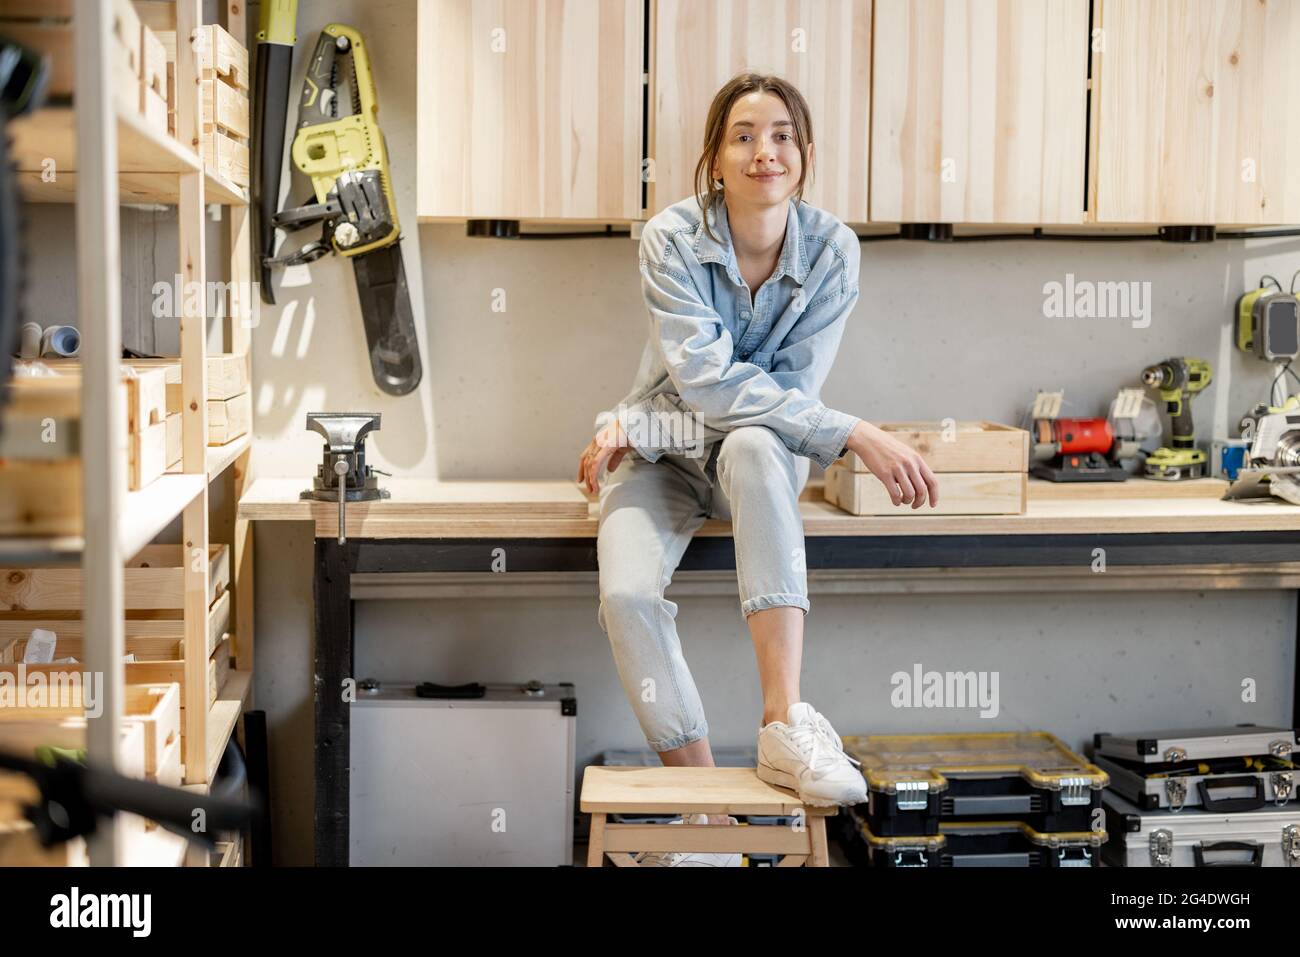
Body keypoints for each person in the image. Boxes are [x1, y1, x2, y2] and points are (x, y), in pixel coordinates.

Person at [576, 73, 939, 866]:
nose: (762, 150)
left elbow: (777, 407)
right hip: (660, 452)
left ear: (804, 157)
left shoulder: (834, 251)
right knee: (628, 594)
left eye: (781, 135)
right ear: (714, 158)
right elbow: (707, 384)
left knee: (751, 443)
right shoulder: (670, 236)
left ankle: (784, 723)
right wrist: (853, 433)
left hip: (740, 454)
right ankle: (706, 817)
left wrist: (635, 419)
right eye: (742, 135)